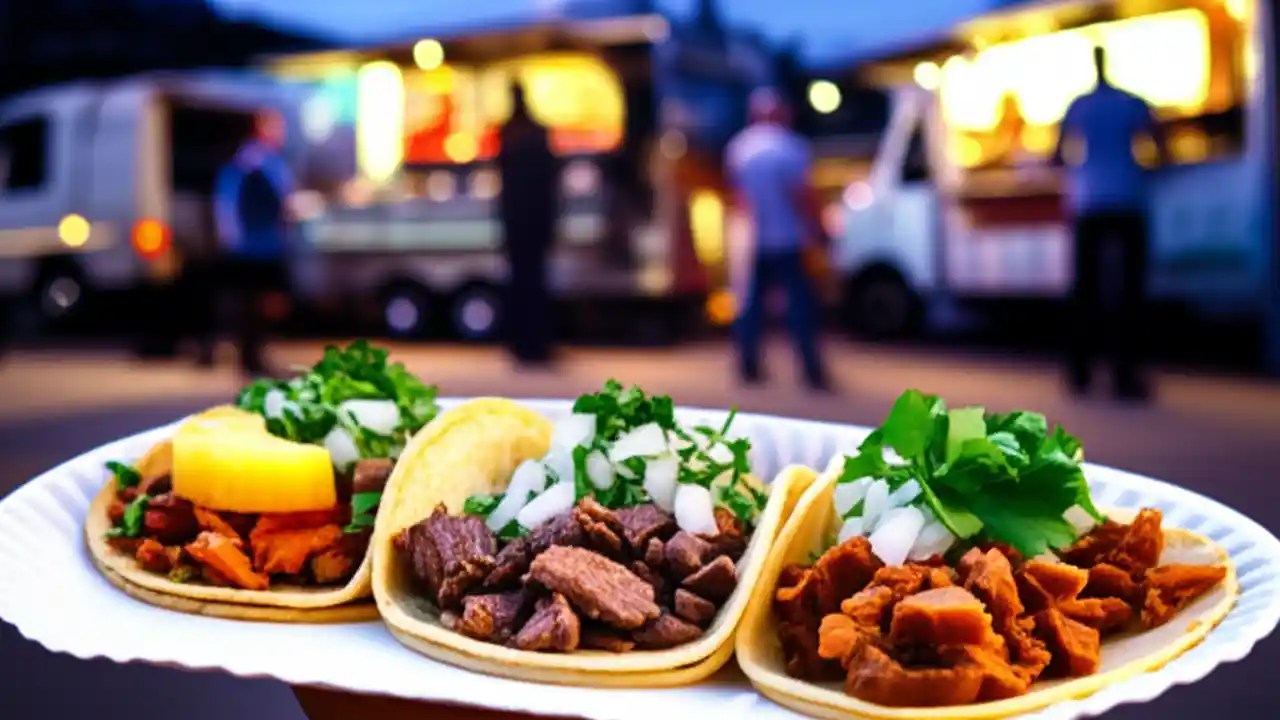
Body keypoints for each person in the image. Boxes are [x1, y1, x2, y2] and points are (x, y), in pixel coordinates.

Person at [1054, 46, 1167, 401]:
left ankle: (1080, 373)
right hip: (1127, 199)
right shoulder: (1132, 102)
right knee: (1130, 291)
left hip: (1088, 202)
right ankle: (1124, 375)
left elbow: (1056, 154)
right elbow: (1161, 146)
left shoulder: (1079, 106)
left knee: (1084, 289)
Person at [725, 88, 830, 390]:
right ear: (779, 113)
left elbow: (738, 196)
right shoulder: (790, 147)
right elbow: (802, 194)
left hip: (753, 239)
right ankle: (811, 370)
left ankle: (748, 366)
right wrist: (817, 229)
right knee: (799, 304)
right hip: (788, 238)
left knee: (751, 305)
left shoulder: (740, 147)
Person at [211, 109, 294, 375]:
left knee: (263, 304)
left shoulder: (271, 161)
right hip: (251, 247)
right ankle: (249, 359)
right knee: (252, 306)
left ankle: (254, 356)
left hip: (269, 243)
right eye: (274, 127)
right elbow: (227, 202)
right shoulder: (251, 161)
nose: (280, 133)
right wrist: (231, 236)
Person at [497, 83, 559, 365]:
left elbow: (504, 185)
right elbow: (550, 183)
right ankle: (537, 344)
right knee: (536, 284)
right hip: (535, 222)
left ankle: (523, 345)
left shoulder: (509, 132)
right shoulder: (537, 132)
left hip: (517, 223)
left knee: (521, 284)